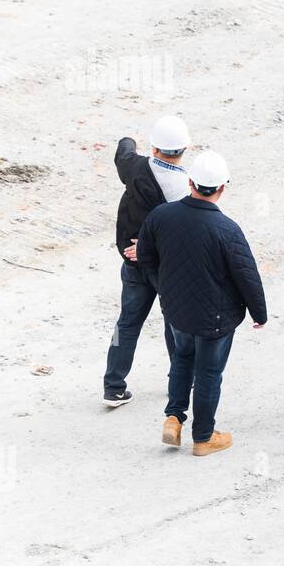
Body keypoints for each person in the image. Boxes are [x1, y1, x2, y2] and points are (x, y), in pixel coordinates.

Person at [135, 150, 267, 457]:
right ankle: (203, 437)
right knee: (208, 374)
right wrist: (259, 312)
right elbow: (246, 275)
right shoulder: (227, 229)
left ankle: (173, 418)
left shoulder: (161, 216)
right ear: (222, 188)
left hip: (177, 311)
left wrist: (164, 287)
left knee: (182, 360)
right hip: (215, 318)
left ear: (190, 182)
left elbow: (145, 256)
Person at [102, 115, 191, 407]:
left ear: (154, 148)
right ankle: (180, 380)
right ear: (184, 149)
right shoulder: (182, 187)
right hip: (165, 268)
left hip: (132, 263)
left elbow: (123, 151)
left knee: (126, 324)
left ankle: (113, 386)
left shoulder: (134, 167)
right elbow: (181, 233)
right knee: (175, 323)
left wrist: (129, 140)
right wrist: (150, 248)